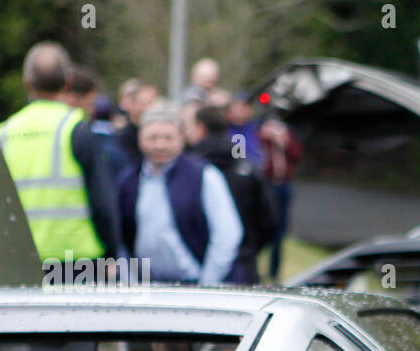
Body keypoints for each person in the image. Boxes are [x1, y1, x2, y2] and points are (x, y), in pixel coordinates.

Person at [0, 42, 119, 278]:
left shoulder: (4, 132)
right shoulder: (77, 128)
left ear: (26, 84)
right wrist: (111, 253)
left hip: (22, 259)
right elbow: (102, 200)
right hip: (79, 262)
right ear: (68, 81)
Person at [117, 101, 242, 285]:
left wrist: (207, 284)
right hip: (146, 287)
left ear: (182, 138)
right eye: (152, 137)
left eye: (168, 138)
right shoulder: (128, 180)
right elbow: (121, 237)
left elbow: (227, 235)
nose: (160, 145)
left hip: (194, 285)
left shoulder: (204, 176)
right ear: (140, 138)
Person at [185, 104, 277, 284]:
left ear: (200, 128)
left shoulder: (188, 171)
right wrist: (249, 249)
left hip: (197, 266)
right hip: (245, 265)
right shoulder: (246, 166)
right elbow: (270, 219)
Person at [259, 115, 303, 282]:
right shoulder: (256, 136)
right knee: (263, 226)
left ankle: (274, 271)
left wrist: (283, 142)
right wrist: (265, 137)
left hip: (283, 185)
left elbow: (297, 155)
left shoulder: (287, 136)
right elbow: (243, 154)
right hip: (266, 185)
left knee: (280, 230)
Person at [117, 79, 158, 163]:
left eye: (152, 103)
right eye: (143, 103)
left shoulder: (161, 135)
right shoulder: (123, 139)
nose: (149, 108)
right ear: (132, 105)